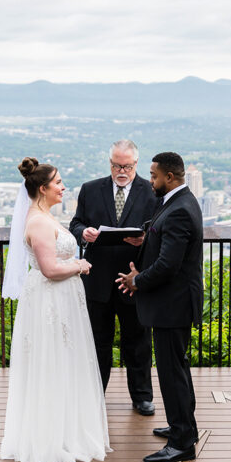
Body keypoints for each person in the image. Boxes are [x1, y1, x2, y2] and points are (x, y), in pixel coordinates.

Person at [0, 157, 110, 462]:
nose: (63, 187)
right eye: (58, 183)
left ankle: (64, 429)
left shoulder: (44, 216)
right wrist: (79, 264)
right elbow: (49, 269)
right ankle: (50, 437)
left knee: (63, 361)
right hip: (50, 300)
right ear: (43, 188)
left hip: (60, 299)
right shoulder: (37, 221)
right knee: (52, 361)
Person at [116, 151, 204, 462]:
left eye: (154, 176)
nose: (150, 180)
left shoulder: (179, 208)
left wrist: (137, 281)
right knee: (176, 369)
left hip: (173, 305)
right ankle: (185, 427)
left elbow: (169, 264)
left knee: (171, 374)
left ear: (169, 177)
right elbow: (161, 234)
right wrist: (145, 240)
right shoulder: (181, 201)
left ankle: (181, 443)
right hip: (173, 304)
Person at [69, 140, 158, 416]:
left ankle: (142, 396)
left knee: (139, 342)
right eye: (117, 165)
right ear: (109, 163)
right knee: (97, 342)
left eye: (128, 166)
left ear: (136, 165)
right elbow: (76, 223)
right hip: (98, 280)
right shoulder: (90, 189)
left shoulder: (151, 191)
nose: (122, 171)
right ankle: (95, 395)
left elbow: (158, 231)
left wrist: (143, 240)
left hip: (134, 278)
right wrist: (83, 233)